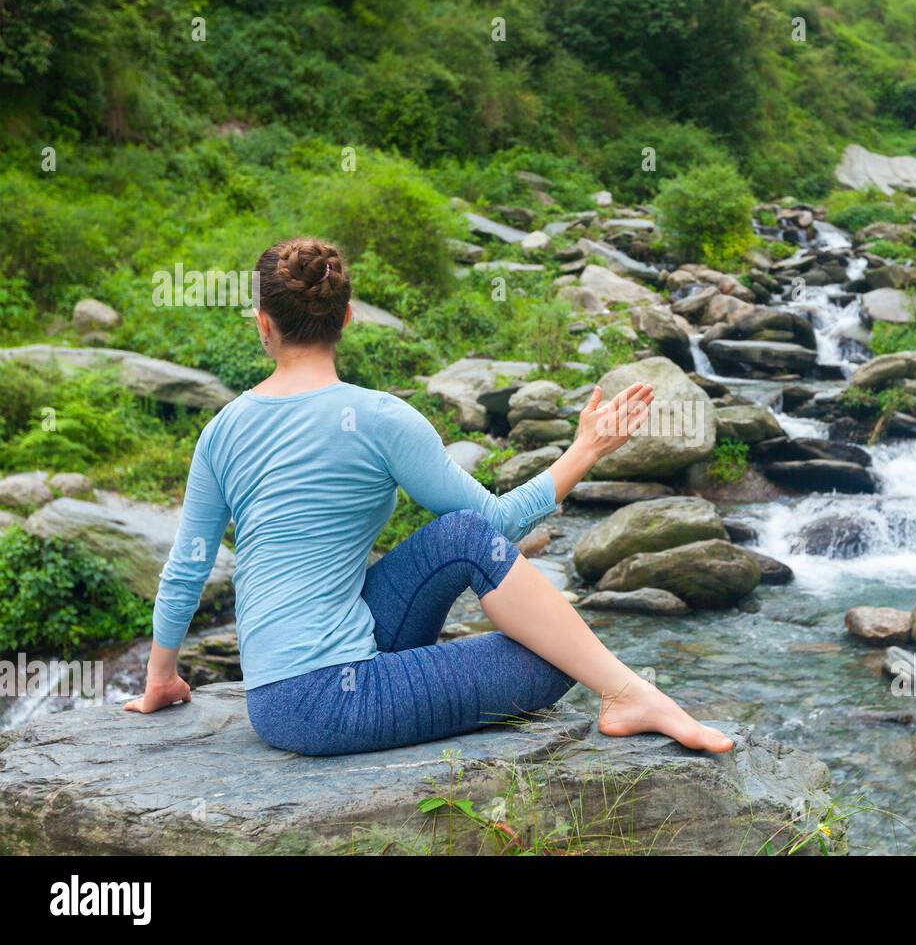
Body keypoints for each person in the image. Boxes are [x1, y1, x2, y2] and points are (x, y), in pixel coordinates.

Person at [124, 237, 733, 756]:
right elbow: (500, 519)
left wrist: (162, 679)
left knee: (465, 543)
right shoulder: (384, 417)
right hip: (320, 702)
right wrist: (588, 449)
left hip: (290, 687)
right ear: (347, 319)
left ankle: (626, 692)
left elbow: (187, 569)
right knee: (556, 658)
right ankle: (627, 693)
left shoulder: (220, 430)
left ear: (263, 324)